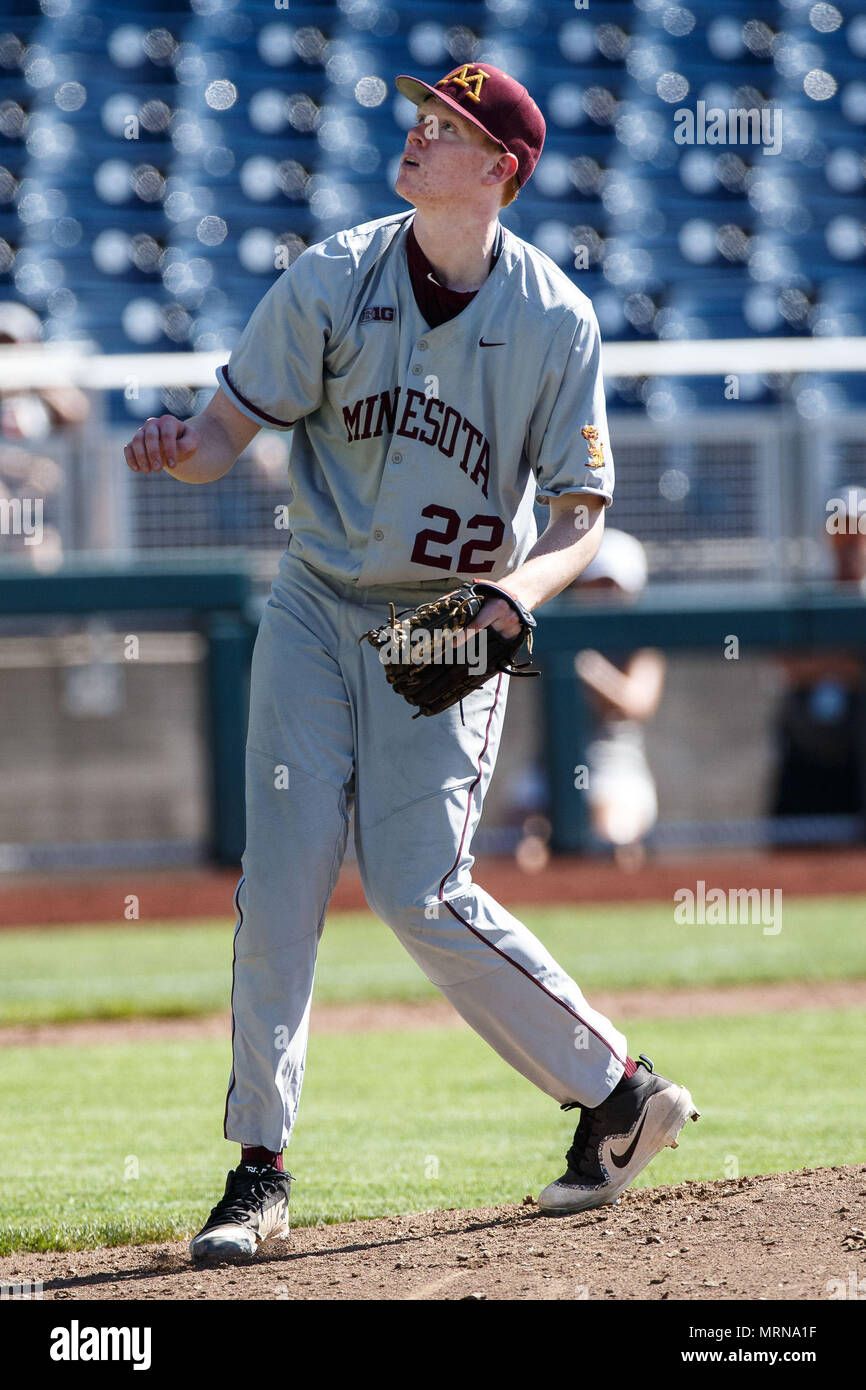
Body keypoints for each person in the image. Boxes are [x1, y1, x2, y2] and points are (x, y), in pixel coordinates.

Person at [123, 63, 698, 1259]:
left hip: (445, 617)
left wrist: (509, 596)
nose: (418, 137)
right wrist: (186, 449)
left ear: (501, 172)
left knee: (416, 889)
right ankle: (258, 1172)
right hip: (318, 603)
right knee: (280, 880)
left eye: (448, 131)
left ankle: (618, 1093)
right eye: (421, 119)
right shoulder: (333, 275)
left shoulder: (554, 320)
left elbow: (583, 514)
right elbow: (230, 425)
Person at [770, 485, 866, 835]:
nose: (851, 542)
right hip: (808, 748)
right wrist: (844, 665)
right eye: (841, 532)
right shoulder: (811, 596)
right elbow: (786, 666)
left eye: (858, 532)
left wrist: (828, 664)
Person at [571, 529, 665, 868]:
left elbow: (638, 703)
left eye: (614, 586)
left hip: (617, 762)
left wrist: (585, 666)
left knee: (616, 839)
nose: (605, 594)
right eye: (597, 583)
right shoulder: (551, 629)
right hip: (552, 762)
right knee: (525, 839)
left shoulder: (641, 644)